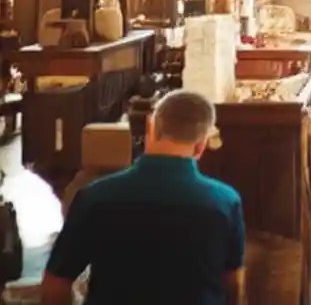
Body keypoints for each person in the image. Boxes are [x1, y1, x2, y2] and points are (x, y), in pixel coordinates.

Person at [41, 90, 245, 305]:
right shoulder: (226, 202)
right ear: (200, 146)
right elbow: (233, 286)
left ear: (150, 127)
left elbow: (55, 284)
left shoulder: (95, 197)